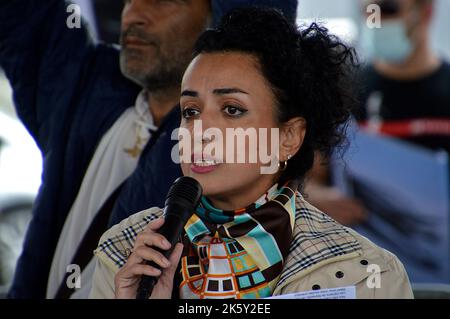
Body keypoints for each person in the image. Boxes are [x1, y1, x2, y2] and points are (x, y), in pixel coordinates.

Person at [89, 8, 413, 299]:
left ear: (288, 137)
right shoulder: (124, 251)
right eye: (190, 111)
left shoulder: (367, 274)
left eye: (231, 109)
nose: (200, 131)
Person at [0, 0, 298, 298]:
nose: (134, 15)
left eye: (161, 1)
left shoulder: (232, 160)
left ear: (219, 19)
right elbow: (28, 20)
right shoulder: (86, 97)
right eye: (129, 0)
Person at [305, 0, 450, 284]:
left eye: (388, 9)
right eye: (369, 11)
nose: (377, 20)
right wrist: (318, 200)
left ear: (426, 11)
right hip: (364, 277)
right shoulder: (342, 96)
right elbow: (307, 180)